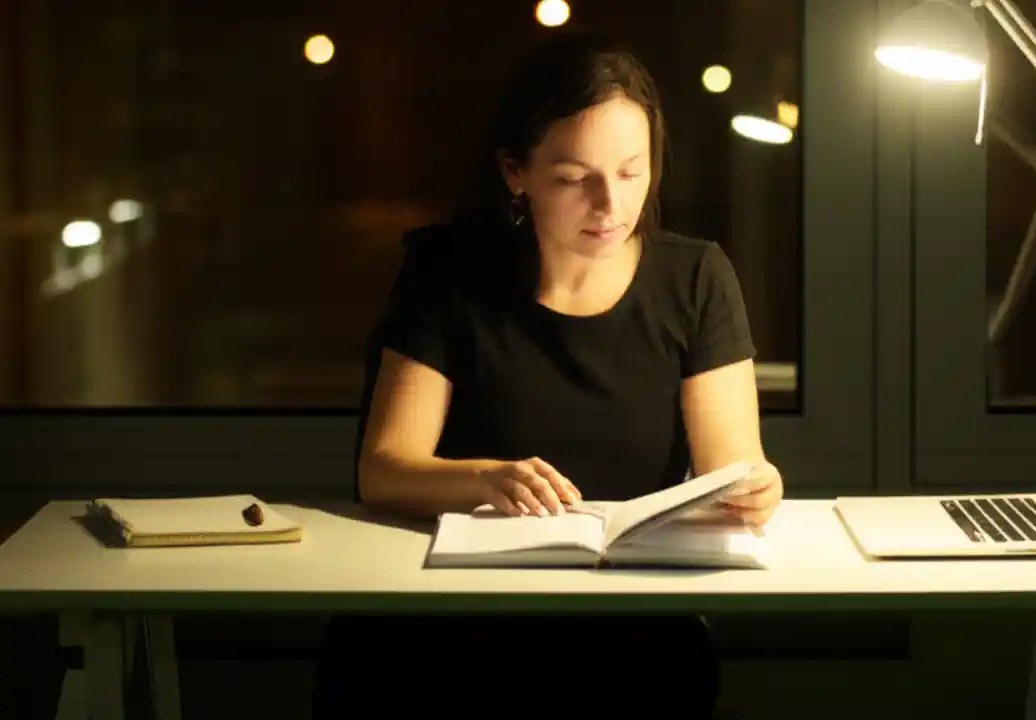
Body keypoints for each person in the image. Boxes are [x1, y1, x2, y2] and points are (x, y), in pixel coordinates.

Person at [311, 29, 784, 718]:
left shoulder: (695, 278)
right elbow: (382, 470)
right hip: (449, 621)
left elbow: (732, 471)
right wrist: (485, 479)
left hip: (625, 622)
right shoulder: (448, 272)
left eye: (631, 172)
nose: (610, 205)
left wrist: (754, 490)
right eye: (573, 178)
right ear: (516, 173)